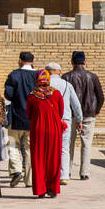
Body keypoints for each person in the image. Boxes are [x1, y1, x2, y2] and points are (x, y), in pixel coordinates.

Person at [63, 51, 105, 180]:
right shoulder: (92, 77)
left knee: (69, 143)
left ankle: (67, 171)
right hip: (88, 114)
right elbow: (100, 97)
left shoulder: (66, 77)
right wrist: (96, 110)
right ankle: (84, 172)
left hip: (71, 115)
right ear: (85, 61)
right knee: (86, 144)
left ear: (72, 62)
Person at [26, 69, 65, 198]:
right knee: (54, 159)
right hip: (54, 130)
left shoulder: (32, 96)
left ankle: (41, 189)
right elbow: (61, 112)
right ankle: (52, 189)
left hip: (38, 130)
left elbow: (29, 114)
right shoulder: (57, 94)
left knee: (38, 159)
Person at [3, 51, 37, 188]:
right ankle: (29, 180)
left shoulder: (14, 75)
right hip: (33, 119)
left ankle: (16, 170)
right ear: (32, 61)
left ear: (20, 60)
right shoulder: (38, 76)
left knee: (13, 145)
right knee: (30, 149)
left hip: (16, 117)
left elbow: (8, 95)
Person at [47, 62, 83, 187]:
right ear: (59, 72)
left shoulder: (43, 85)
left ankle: (50, 174)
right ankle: (64, 175)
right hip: (64, 120)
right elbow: (76, 104)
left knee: (49, 147)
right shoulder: (67, 85)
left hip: (48, 120)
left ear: (47, 71)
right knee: (64, 148)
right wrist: (79, 119)